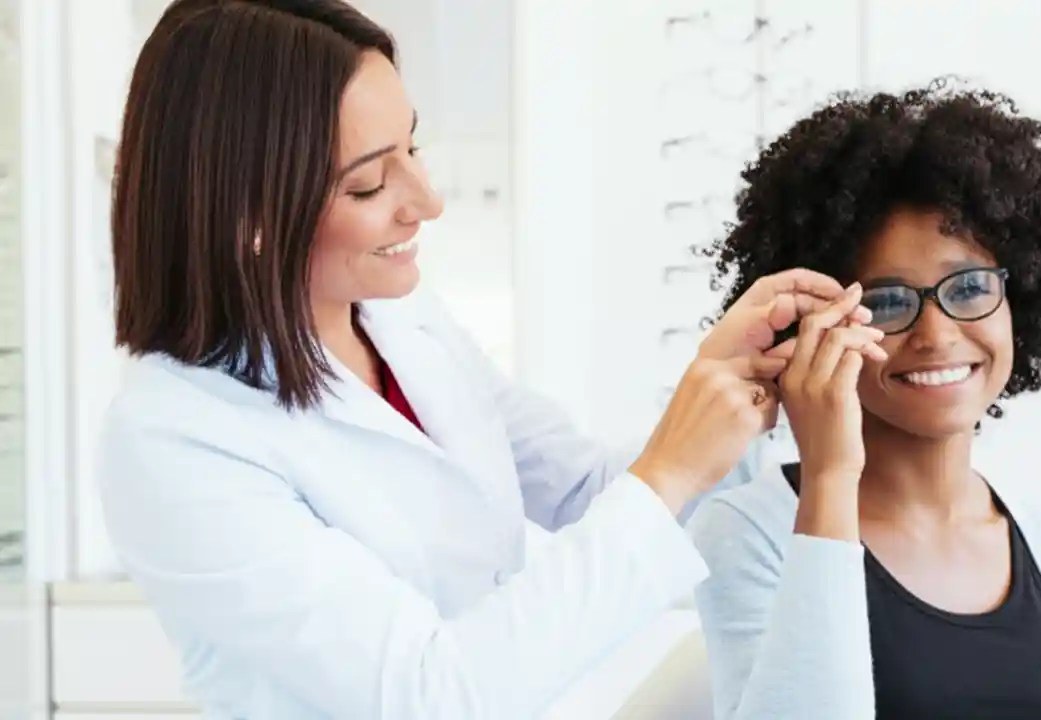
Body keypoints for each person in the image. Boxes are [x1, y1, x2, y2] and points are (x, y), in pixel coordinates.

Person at [97, 1, 873, 718]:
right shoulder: (176, 439)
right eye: (369, 183)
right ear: (249, 218)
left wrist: (738, 384)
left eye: (413, 147)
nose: (427, 199)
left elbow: (582, 489)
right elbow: (434, 694)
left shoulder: (402, 320)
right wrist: (672, 467)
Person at [687, 79, 1041, 719]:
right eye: (887, 303)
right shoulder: (749, 532)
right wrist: (831, 474)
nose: (938, 334)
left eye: (969, 287)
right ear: (818, 326)